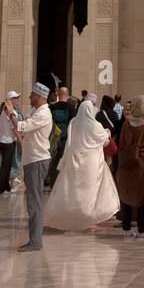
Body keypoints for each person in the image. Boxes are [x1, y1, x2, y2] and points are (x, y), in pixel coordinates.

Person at [46, 96, 117, 231]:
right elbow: (106, 141)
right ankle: (88, 222)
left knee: (74, 191)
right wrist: (107, 132)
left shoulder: (73, 123)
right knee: (90, 192)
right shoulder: (96, 125)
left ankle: (74, 218)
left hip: (75, 160)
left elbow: (69, 141)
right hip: (92, 163)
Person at [4, 82, 53, 251]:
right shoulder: (37, 112)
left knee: (35, 202)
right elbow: (21, 132)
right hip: (33, 160)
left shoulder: (44, 114)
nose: (30, 97)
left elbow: (21, 126)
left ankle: (35, 241)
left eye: (32, 95)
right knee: (32, 201)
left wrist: (12, 112)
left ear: (40, 97)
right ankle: (34, 239)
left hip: (37, 160)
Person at [116, 94, 144, 237]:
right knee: (143, 197)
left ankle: (127, 229)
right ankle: (141, 230)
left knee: (127, 196)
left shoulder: (126, 124)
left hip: (127, 166)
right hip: (143, 166)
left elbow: (121, 146)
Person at [48, 85, 77, 187]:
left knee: (53, 162)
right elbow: (74, 124)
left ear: (58, 95)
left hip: (54, 139)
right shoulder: (71, 108)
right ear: (67, 95)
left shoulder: (51, 108)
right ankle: (63, 185)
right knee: (65, 162)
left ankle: (53, 184)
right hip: (66, 139)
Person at [0, 91, 23, 195]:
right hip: (7, 142)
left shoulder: (4, 111)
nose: (17, 100)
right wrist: (21, 142)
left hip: (3, 141)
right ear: (10, 100)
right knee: (5, 167)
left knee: (6, 166)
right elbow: (15, 129)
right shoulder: (11, 112)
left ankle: (6, 188)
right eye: (15, 98)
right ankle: (1, 189)